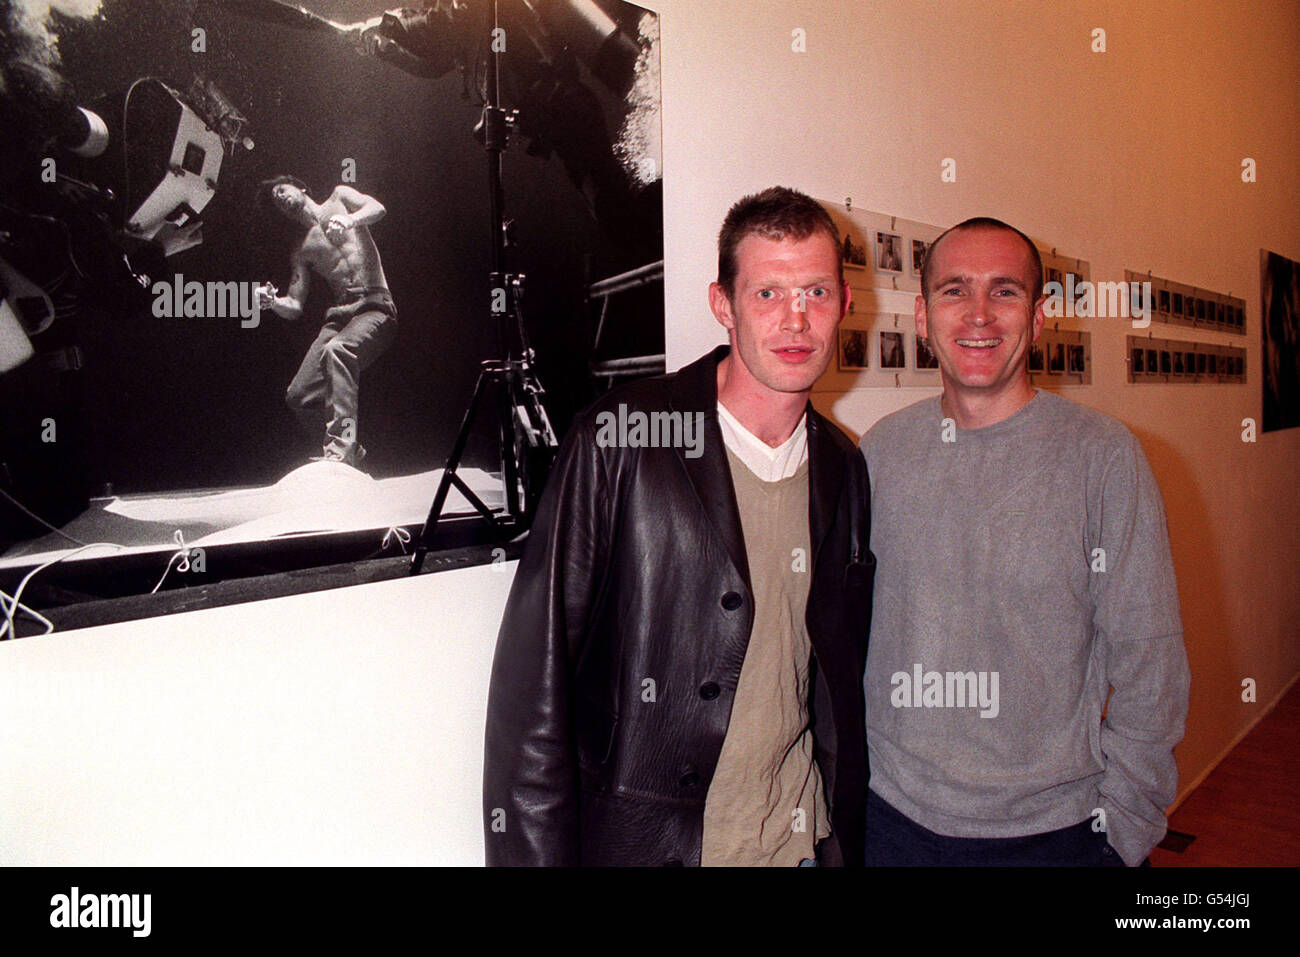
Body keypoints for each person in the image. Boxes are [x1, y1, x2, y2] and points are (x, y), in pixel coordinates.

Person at [482, 186, 875, 866]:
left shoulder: (844, 466)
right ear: (722, 303)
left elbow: (833, 685)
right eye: (768, 294)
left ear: (844, 302)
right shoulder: (620, 437)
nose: (796, 320)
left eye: (815, 291)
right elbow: (531, 694)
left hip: (800, 848)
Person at [860, 217, 1190, 866]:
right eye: (955, 290)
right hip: (895, 824)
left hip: (1057, 836)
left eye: (1005, 291)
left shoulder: (1103, 457)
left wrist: (1121, 829)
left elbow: (1152, 661)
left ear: (1039, 318)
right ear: (923, 317)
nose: (979, 314)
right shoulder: (880, 451)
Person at [257, 176, 395, 467]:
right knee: (299, 395)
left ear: (301, 187)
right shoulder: (301, 248)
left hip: (375, 305)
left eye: (281, 190)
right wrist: (273, 303)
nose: (279, 198)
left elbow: (378, 208)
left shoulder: (339, 197)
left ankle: (339, 453)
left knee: (338, 351)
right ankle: (351, 448)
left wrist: (351, 221)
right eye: (275, 200)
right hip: (342, 314)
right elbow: (294, 306)